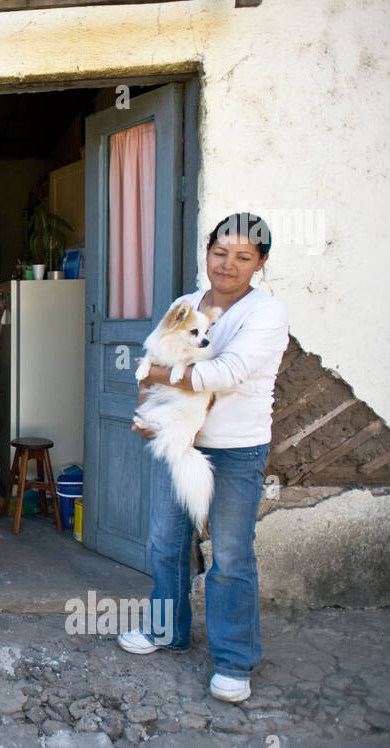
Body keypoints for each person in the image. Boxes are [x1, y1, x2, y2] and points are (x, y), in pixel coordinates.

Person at [117, 213, 290, 703]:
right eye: (220, 253)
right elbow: (149, 360)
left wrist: (158, 378)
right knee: (165, 542)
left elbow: (227, 373)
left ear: (261, 263)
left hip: (236, 449)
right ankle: (166, 631)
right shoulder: (185, 305)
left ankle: (235, 660)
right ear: (207, 252)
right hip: (177, 438)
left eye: (242, 257)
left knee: (230, 554)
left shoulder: (266, 313)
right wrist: (146, 414)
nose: (228, 265)